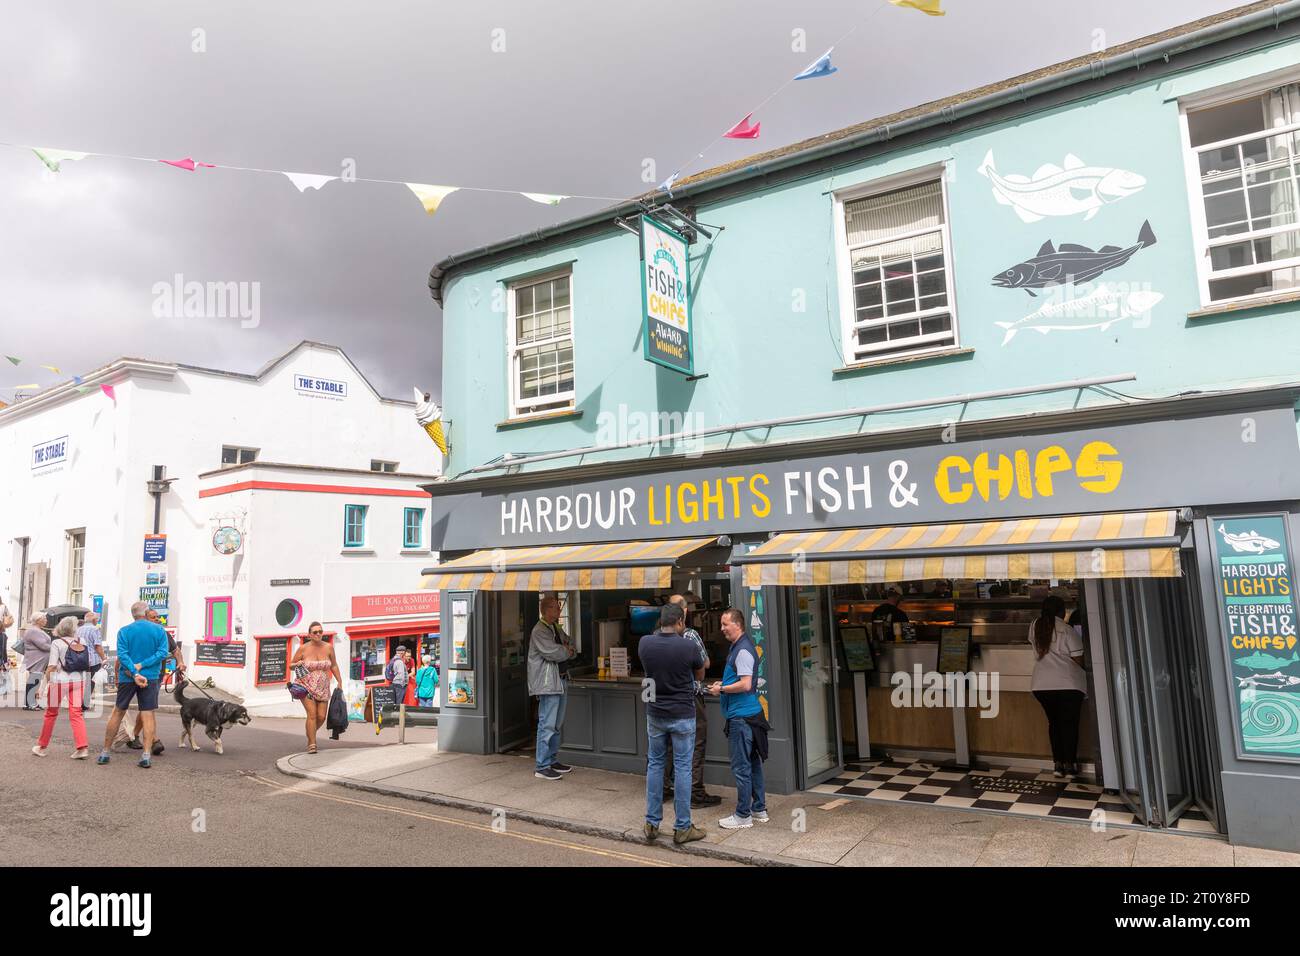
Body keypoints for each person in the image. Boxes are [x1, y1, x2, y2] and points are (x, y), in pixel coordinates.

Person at [638, 603, 706, 845]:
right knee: (683, 768)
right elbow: (700, 675)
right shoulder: (687, 646)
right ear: (679, 622)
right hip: (682, 714)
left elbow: (648, 670)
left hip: (655, 714)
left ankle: (652, 823)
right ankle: (683, 827)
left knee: (655, 765)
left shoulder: (644, 643)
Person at [708, 608, 769, 830]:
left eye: (725, 624)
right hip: (748, 716)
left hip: (742, 719)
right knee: (752, 764)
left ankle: (743, 815)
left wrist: (721, 689)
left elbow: (744, 684)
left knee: (741, 767)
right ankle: (759, 809)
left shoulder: (742, 650)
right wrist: (721, 686)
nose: (722, 628)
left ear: (738, 624)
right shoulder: (739, 647)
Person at [663, 594, 721, 808]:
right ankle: (695, 792)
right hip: (690, 697)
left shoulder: (656, 637)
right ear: (684, 613)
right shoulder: (691, 636)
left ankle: (664, 788)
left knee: (668, 743)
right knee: (696, 743)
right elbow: (704, 665)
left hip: (666, 697)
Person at [98, 602, 169, 768]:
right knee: (147, 714)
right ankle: (145, 755)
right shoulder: (159, 630)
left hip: (127, 676)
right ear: (146, 613)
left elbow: (122, 655)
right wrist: (142, 666)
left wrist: (134, 671)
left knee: (118, 711)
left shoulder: (124, 631)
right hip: (150, 676)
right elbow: (162, 653)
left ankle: (105, 752)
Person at [1029, 594, 1087, 778]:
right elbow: (1078, 657)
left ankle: (1058, 764)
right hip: (1068, 684)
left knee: (1054, 724)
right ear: (1062, 611)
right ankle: (1070, 765)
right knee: (1069, 724)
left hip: (1041, 685)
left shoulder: (1034, 626)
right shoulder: (1067, 630)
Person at [118, 618, 184, 755]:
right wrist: (117, 672)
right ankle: (153, 740)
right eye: (153, 617)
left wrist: (181, 663)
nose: (157, 620)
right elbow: (122, 655)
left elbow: (175, 650)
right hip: (133, 674)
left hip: (155, 675)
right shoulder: (135, 631)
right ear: (146, 618)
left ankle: (136, 736)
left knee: (147, 707)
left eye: (157, 617)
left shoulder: (162, 633)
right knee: (146, 708)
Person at [528, 595, 576, 781]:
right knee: (547, 724)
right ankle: (542, 766)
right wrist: (565, 650)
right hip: (548, 683)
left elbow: (571, 644)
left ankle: (552, 760)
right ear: (547, 610)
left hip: (561, 680)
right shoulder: (539, 630)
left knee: (556, 724)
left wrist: (566, 649)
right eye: (556, 608)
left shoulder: (555, 627)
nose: (559, 611)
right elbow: (553, 652)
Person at [32, 617, 90, 759]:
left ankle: (41, 746)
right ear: (74, 629)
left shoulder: (57, 643)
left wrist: (42, 688)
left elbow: (51, 667)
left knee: (51, 714)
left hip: (60, 681)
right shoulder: (81, 641)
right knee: (76, 714)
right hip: (79, 681)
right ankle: (82, 748)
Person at [290, 622, 342, 754]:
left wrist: (339, 681)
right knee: (312, 715)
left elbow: (334, 665)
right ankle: (312, 743)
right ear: (309, 635)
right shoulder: (303, 648)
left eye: (320, 631)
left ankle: (310, 732)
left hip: (323, 687)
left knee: (321, 717)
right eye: (315, 632)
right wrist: (298, 663)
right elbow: (291, 665)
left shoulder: (329, 647)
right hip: (305, 685)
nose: (318, 634)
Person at [21, 613, 52, 711]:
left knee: (35, 680)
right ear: (38, 620)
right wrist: (55, 648)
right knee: (34, 680)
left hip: (38, 658)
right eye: (44, 618)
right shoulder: (34, 631)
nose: (46, 620)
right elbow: (43, 645)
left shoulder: (36, 630)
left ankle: (31, 703)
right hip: (36, 659)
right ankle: (30, 704)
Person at [77, 611, 105, 711]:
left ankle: (78, 702)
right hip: (92, 660)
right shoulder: (95, 630)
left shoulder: (78, 629)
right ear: (94, 620)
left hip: (79, 658)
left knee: (81, 681)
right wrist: (104, 658)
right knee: (90, 682)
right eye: (97, 619)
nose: (97, 620)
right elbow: (97, 646)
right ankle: (85, 704)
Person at [384, 646, 411, 712]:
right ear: (402, 652)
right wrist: (403, 684)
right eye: (404, 652)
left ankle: (396, 715)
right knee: (399, 703)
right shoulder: (399, 662)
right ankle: (398, 717)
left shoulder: (394, 659)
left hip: (396, 684)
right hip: (400, 685)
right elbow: (401, 674)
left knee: (396, 701)